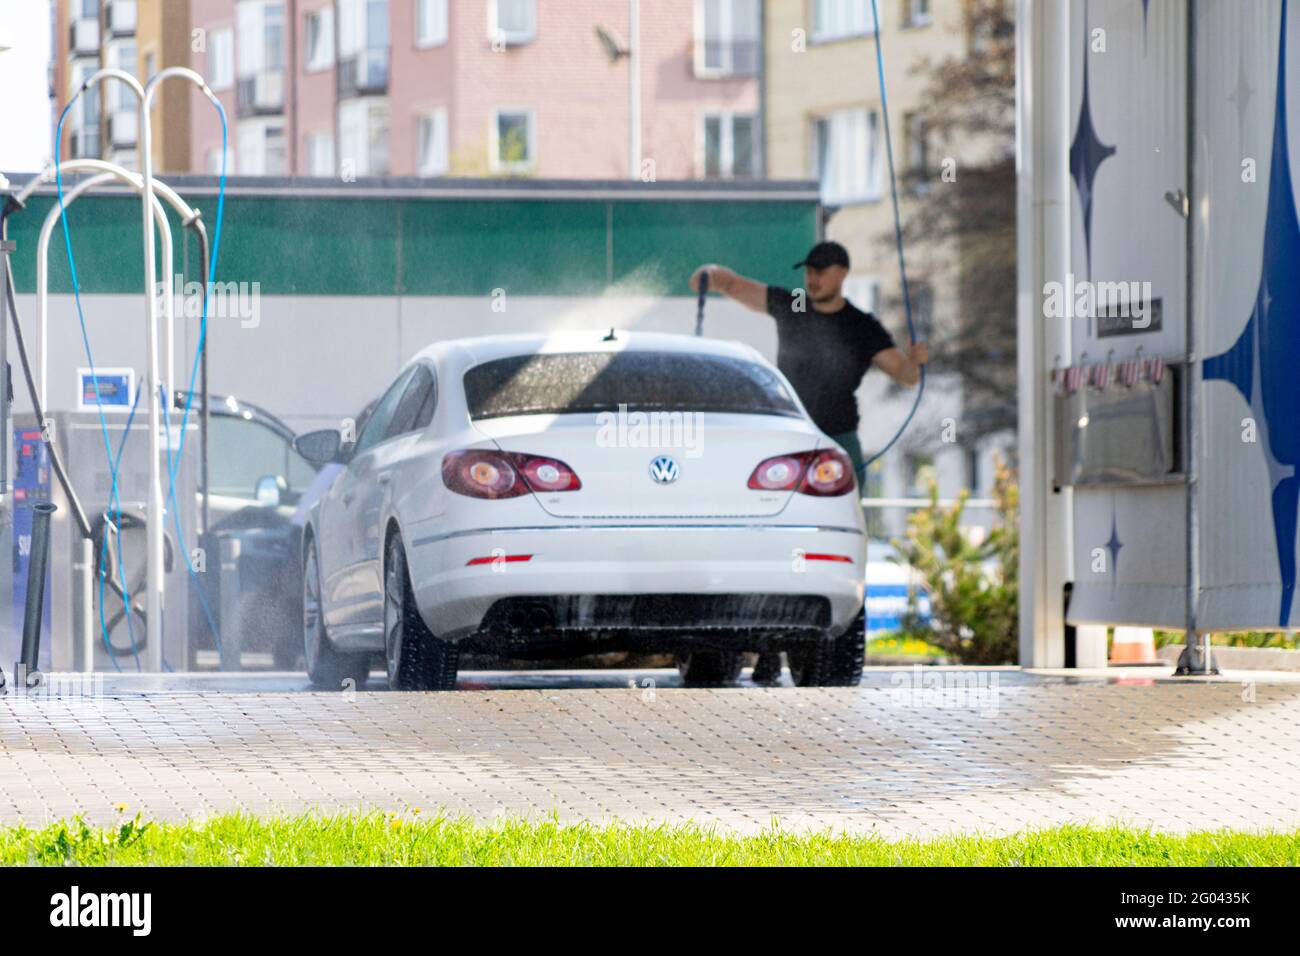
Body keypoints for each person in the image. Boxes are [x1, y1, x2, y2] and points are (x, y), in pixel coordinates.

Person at [689, 240, 928, 684]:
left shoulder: (860, 326)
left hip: (836, 444)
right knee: (767, 536)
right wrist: (715, 276)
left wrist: (916, 361)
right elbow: (741, 287)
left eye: (821, 271)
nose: (811, 278)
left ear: (842, 273)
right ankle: (765, 644)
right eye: (809, 270)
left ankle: (825, 635)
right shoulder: (794, 304)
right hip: (786, 440)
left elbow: (904, 374)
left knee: (836, 541)